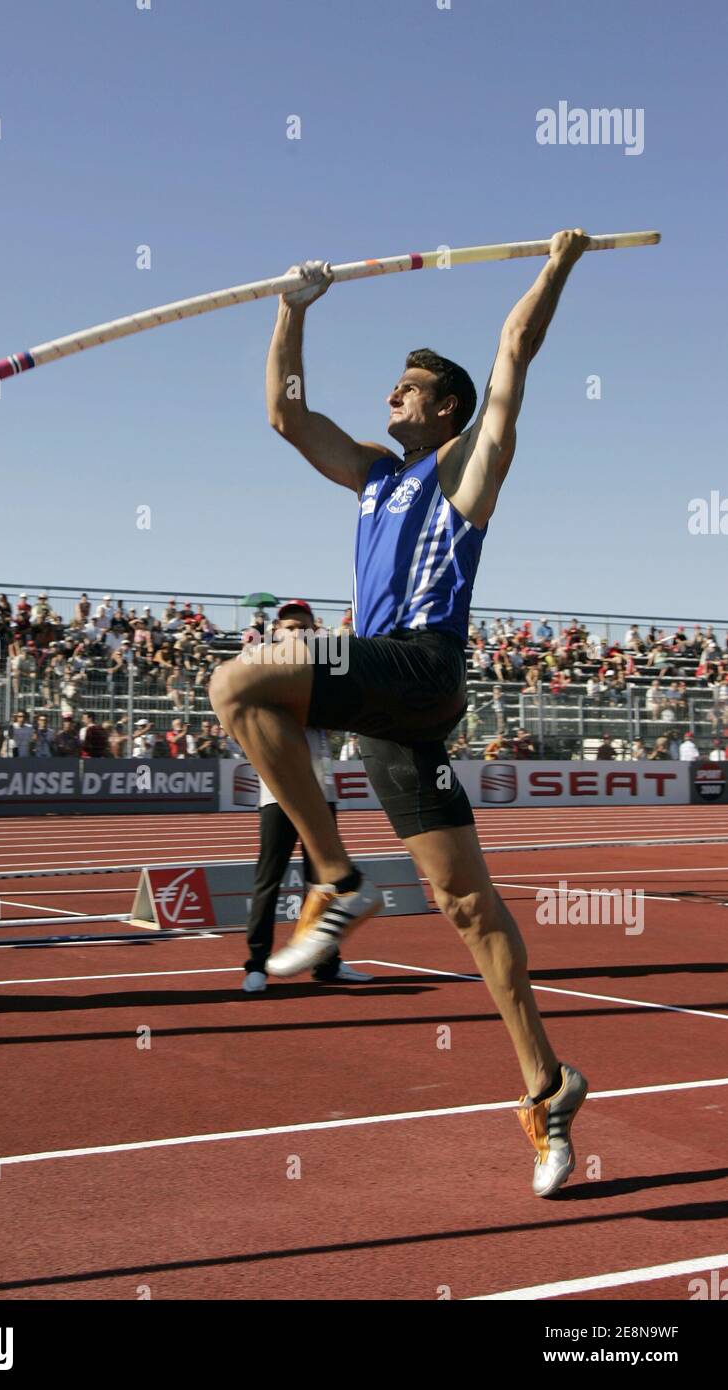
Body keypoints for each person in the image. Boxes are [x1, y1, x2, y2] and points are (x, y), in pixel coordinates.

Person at [210, 229, 593, 1197]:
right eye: (389, 388)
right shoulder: (374, 474)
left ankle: (335, 876)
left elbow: (511, 352)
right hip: (385, 714)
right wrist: (289, 312)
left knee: (235, 683)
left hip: (418, 667)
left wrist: (555, 265)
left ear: (447, 407)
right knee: (468, 902)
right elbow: (284, 418)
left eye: (406, 388)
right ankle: (547, 1088)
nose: (390, 398)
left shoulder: (464, 467)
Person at [243, 601, 374, 994]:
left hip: (321, 787)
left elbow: (339, 714)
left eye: (304, 627)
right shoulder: (262, 666)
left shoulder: (324, 672)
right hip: (278, 791)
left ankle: (327, 961)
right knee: (269, 879)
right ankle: (256, 964)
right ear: (276, 631)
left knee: (324, 882)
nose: (297, 632)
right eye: (289, 627)